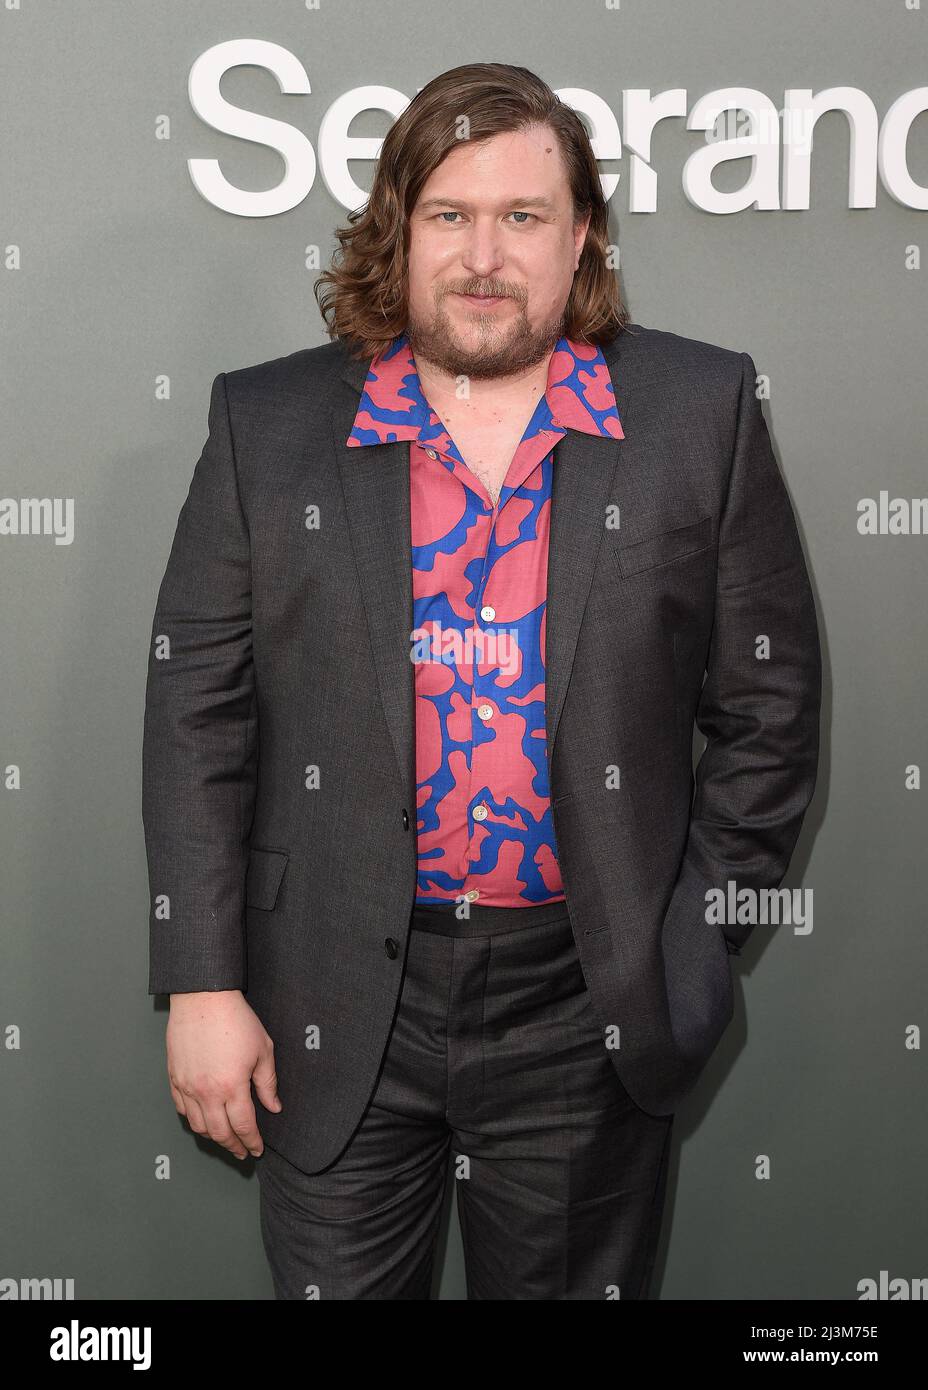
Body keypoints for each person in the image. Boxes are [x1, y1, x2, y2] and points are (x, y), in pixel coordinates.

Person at [142, 62, 822, 1300]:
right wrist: (202, 979)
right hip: (328, 1003)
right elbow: (199, 713)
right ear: (395, 231)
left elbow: (768, 711)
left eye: (523, 217)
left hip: (586, 1005)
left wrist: (684, 942)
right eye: (448, 215)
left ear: (583, 241)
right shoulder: (270, 424)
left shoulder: (694, 409)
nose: (484, 256)